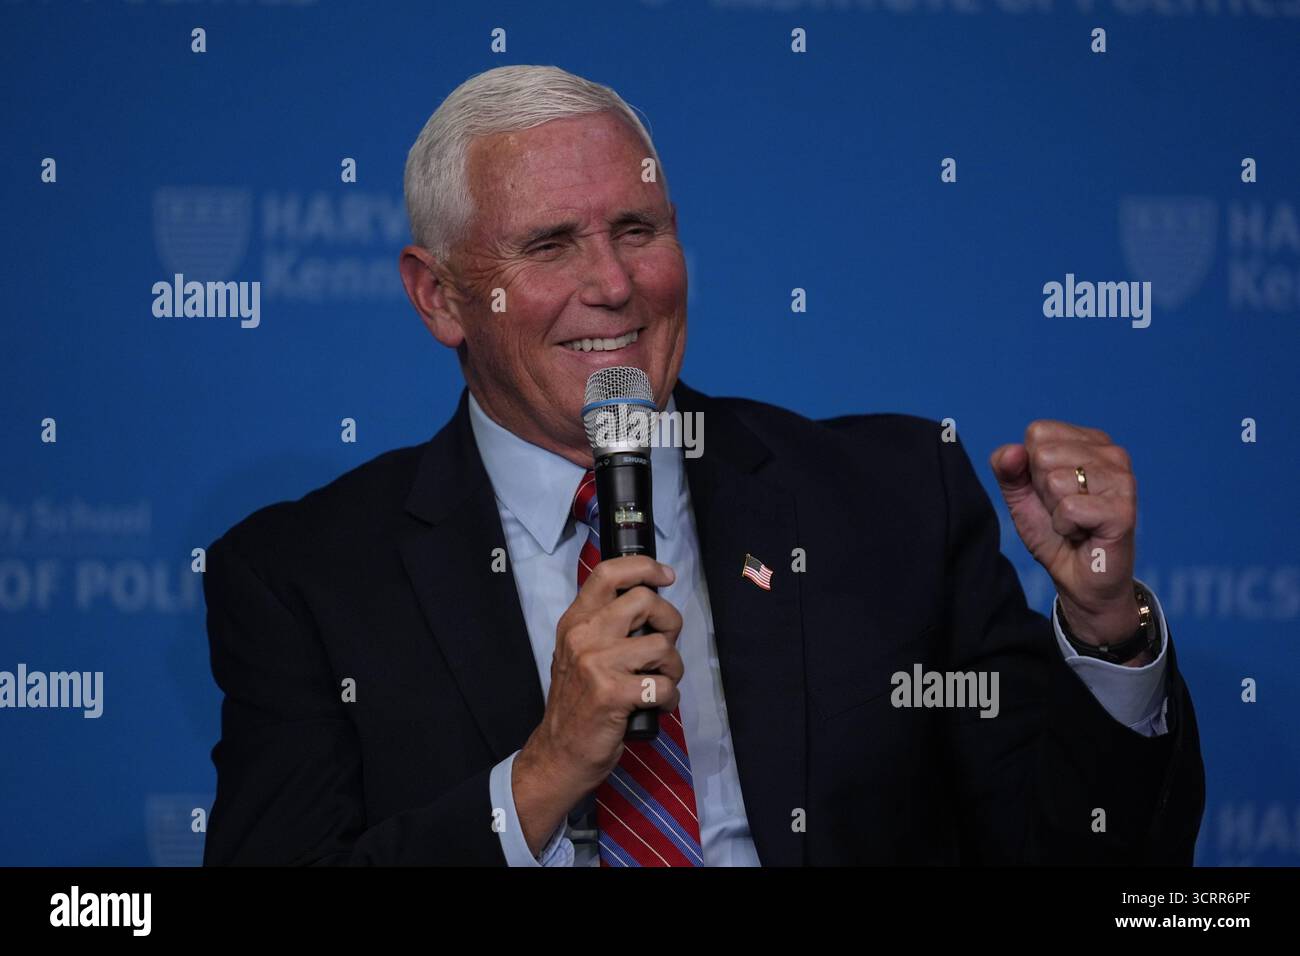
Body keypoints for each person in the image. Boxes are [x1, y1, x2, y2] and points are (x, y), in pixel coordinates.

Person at [202, 65, 1204, 866]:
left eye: (636, 229)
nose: (612, 283)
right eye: (550, 245)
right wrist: (541, 773)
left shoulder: (892, 498)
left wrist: (1105, 631)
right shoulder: (306, 579)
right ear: (440, 298)